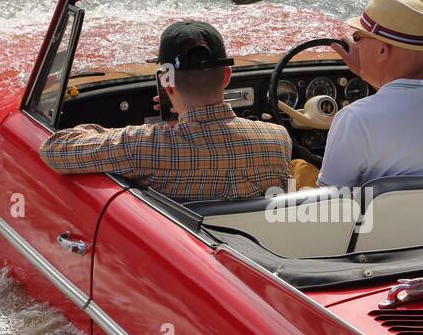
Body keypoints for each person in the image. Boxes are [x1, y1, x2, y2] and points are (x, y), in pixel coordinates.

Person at [40, 21, 292, 202]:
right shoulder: (278, 139)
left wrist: (135, 131)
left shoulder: (141, 146)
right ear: (227, 76)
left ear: (166, 82)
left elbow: (54, 150)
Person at [290, 0, 423, 190]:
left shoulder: (356, 119)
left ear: (382, 50)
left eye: (358, 38)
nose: (357, 47)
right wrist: (371, 74)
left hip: (371, 222)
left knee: (295, 167)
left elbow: (330, 205)